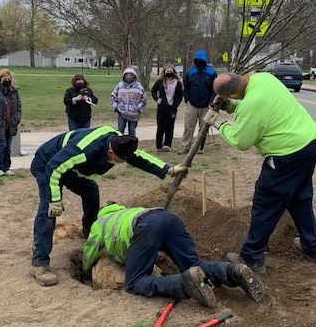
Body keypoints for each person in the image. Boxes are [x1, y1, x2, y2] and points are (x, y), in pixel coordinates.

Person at [30, 126, 188, 286]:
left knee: (91, 191)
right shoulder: (83, 151)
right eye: (120, 160)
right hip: (47, 165)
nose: (123, 162)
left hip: (70, 169)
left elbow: (139, 157)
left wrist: (168, 169)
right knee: (48, 211)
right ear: (110, 153)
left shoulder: (120, 142)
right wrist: (54, 199)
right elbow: (54, 168)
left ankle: (88, 230)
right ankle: (40, 264)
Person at [203, 71, 316, 274]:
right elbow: (257, 106)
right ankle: (312, 246)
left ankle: (251, 257)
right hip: (310, 143)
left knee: (266, 202)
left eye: (231, 100)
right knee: (299, 198)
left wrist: (219, 123)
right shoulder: (263, 78)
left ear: (232, 94)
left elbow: (241, 141)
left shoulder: (252, 104)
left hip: (287, 155)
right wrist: (231, 108)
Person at [82, 203, 264, 305]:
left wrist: (85, 272)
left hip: (146, 228)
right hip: (168, 217)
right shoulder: (128, 211)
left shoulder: (101, 222)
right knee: (194, 264)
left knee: (134, 282)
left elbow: (90, 251)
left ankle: (184, 283)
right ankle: (233, 271)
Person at [178, 49, 217, 155]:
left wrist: (211, 102)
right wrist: (187, 100)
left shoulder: (212, 72)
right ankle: (185, 146)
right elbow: (186, 87)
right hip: (192, 104)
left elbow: (214, 89)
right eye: (198, 60)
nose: (200, 61)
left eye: (201, 60)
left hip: (206, 105)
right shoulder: (190, 72)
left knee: (203, 127)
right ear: (195, 60)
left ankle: (200, 147)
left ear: (205, 60)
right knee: (188, 127)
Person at [150, 64, 184, 152]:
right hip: (162, 108)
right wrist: (157, 99)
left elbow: (180, 95)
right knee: (160, 127)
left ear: (173, 72)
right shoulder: (160, 81)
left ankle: (167, 145)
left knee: (170, 127)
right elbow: (153, 91)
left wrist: (176, 104)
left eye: (170, 71)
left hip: (172, 108)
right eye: (167, 72)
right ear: (164, 72)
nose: (169, 73)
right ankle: (159, 146)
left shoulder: (177, 82)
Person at [110, 67, 147, 136]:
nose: (128, 77)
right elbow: (113, 96)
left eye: (130, 75)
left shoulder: (139, 86)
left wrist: (139, 108)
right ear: (124, 76)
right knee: (120, 130)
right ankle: (119, 145)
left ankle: (132, 146)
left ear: (134, 76)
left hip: (134, 113)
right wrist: (116, 107)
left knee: (132, 130)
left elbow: (144, 98)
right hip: (122, 112)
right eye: (127, 75)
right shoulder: (120, 85)